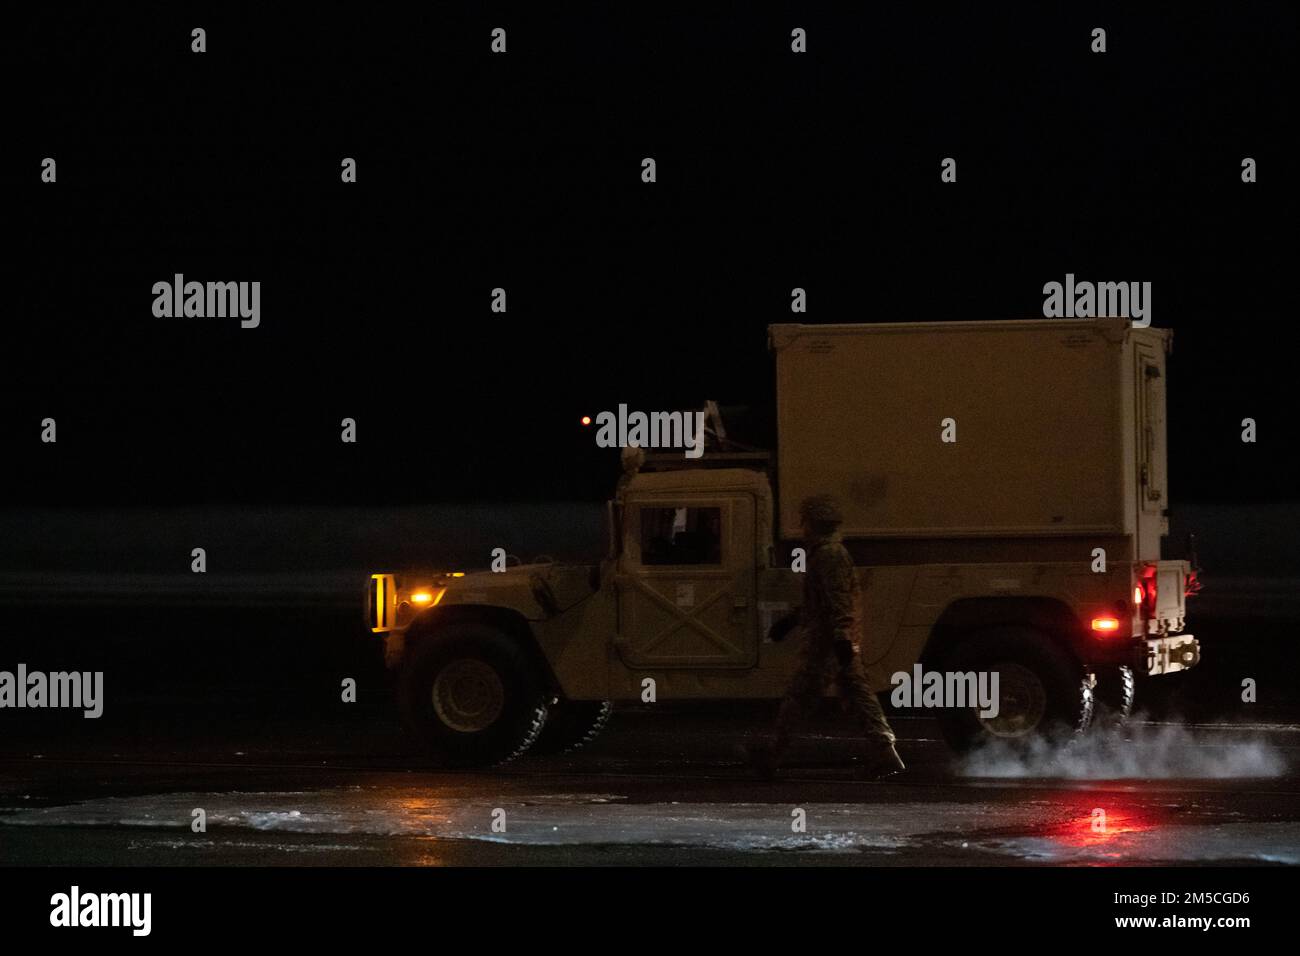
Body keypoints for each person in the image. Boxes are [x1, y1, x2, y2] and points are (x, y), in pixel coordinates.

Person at [749, 494, 905, 780]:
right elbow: (824, 601)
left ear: (814, 523)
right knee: (858, 695)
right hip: (836, 640)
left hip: (828, 643)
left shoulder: (828, 555)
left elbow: (837, 602)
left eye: (805, 521)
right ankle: (886, 753)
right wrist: (795, 620)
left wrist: (841, 638)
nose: (802, 527)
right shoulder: (828, 553)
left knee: (800, 696)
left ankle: (774, 755)